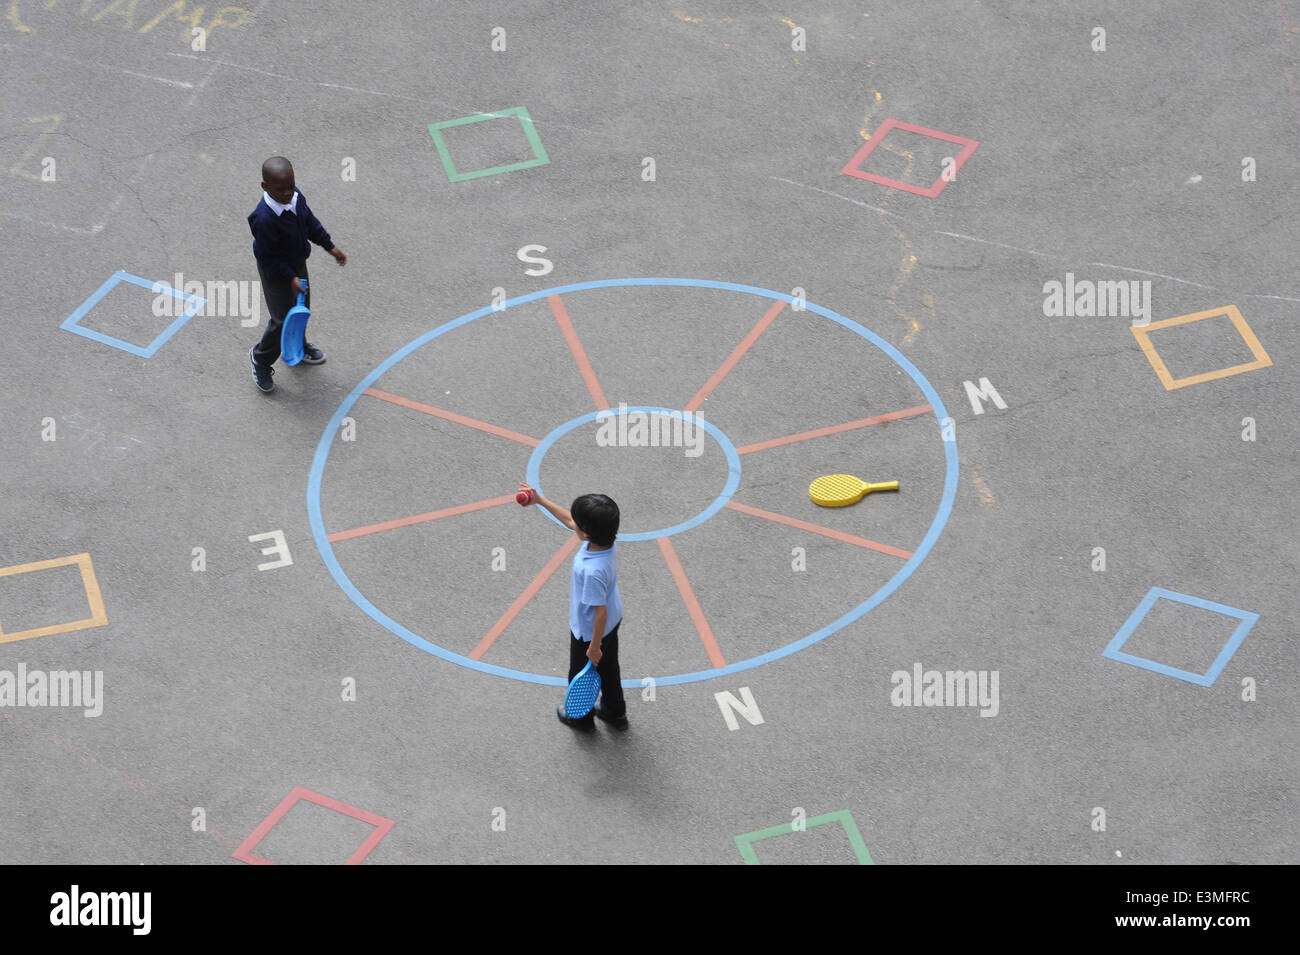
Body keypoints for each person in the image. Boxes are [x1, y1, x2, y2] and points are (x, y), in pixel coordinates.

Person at [519, 484, 628, 731]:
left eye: (578, 523)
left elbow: (599, 612)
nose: (573, 523)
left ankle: (580, 718)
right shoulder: (605, 542)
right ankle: (614, 711)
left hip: (589, 632)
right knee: (610, 669)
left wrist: (593, 647)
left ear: (587, 532)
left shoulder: (592, 571)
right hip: (613, 620)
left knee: (579, 673)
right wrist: (540, 501)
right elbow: (571, 521)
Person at [247, 156, 347, 393]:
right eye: (281, 189)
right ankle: (260, 359)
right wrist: (289, 278)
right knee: (282, 321)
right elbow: (267, 257)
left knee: (301, 309)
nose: (288, 192)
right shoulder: (264, 219)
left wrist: (329, 246)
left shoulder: (296, 198)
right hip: (276, 272)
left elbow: (310, 222)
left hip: (297, 263)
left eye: (291, 186)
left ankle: (296, 346)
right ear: (265, 186)